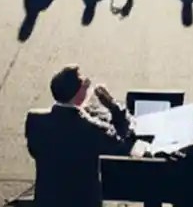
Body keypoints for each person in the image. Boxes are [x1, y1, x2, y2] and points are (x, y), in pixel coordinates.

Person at [25, 65, 135, 207]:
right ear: (78, 93)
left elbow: (35, 150)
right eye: (85, 84)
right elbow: (120, 140)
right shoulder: (92, 129)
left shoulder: (35, 121)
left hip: (48, 200)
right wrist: (113, 105)